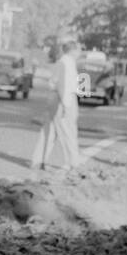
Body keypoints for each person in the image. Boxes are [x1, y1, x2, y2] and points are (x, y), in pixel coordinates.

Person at [31, 39, 83, 172]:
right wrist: (66, 104)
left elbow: (54, 82)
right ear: (72, 51)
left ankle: (38, 161)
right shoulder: (66, 63)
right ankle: (73, 164)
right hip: (63, 99)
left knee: (49, 130)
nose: (80, 52)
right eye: (79, 49)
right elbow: (63, 85)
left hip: (56, 98)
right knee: (68, 131)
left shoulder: (64, 62)